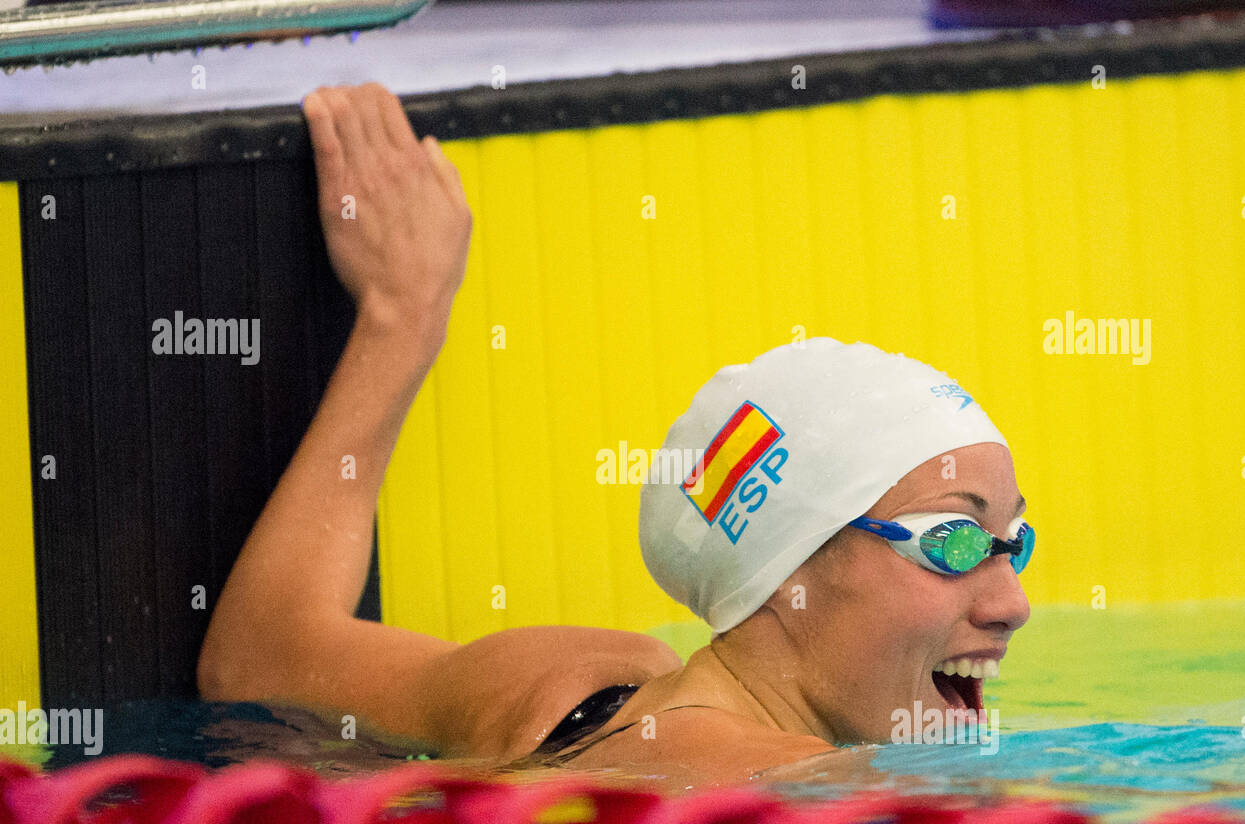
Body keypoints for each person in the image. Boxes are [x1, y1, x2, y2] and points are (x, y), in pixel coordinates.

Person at [198, 83, 1033, 785]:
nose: (1013, 603)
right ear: (788, 572)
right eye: (953, 541)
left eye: (1013, 542)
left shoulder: (565, 689)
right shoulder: (810, 792)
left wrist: (402, 314)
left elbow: (258, 658)